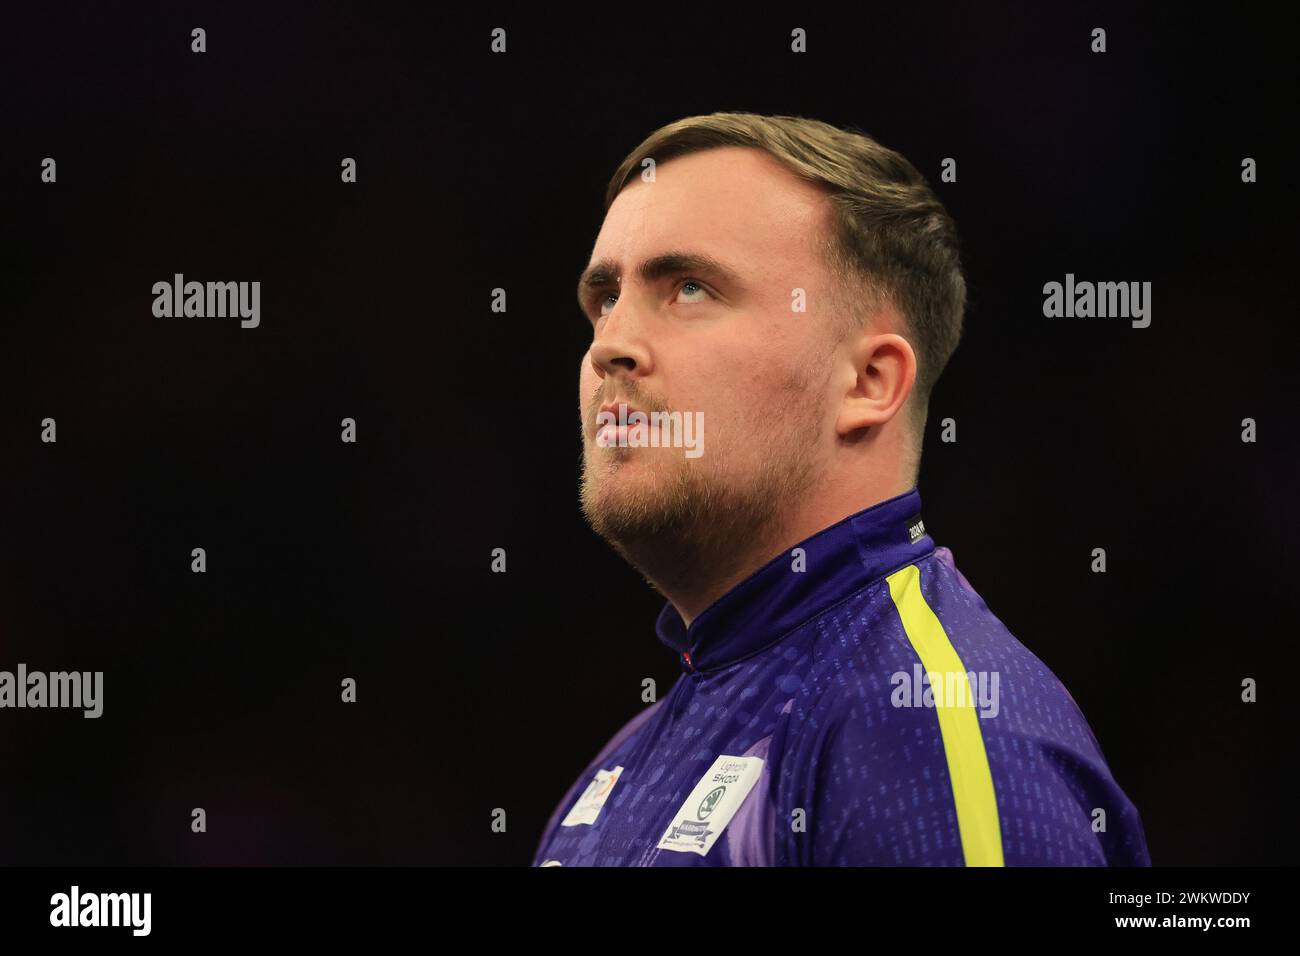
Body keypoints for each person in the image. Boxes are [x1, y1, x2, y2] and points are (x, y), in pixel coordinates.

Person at [533, 111, 1150, 866]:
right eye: (605, 298)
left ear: (867, 382)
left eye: (689, 288)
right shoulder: (614, 773)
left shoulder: (927, 730)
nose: (610, 347)